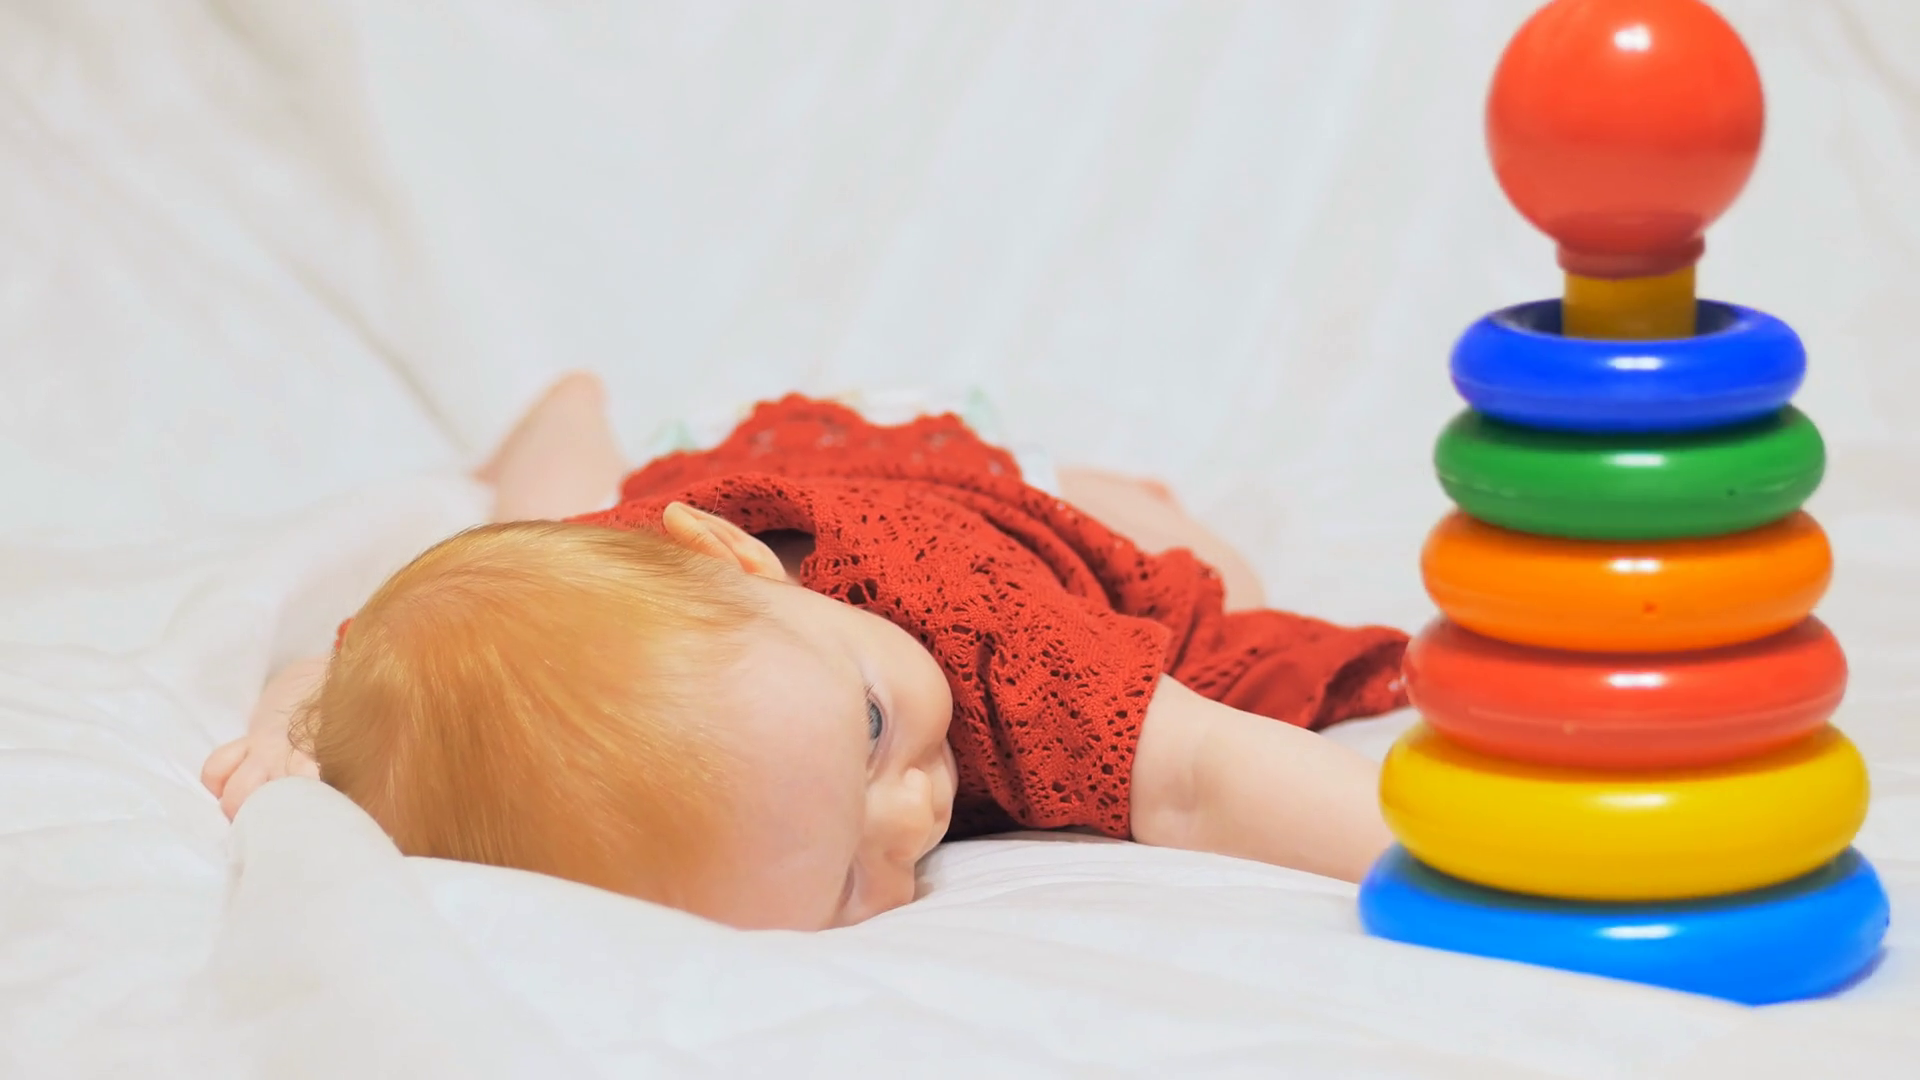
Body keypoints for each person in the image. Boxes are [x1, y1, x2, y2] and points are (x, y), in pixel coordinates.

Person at [202, 374, 1407, 930]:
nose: (914, 816)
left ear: (736, 558)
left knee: (1224, 609)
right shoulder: (575, 675)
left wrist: (1457, 860)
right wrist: (305, 727)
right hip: (644, 551)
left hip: (966, 518)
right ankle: (560, 418)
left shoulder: (999, 642)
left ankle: (1129, 495)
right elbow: (362, 671)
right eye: (842, 881)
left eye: (876, 731)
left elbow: (1200, 777)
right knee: (498, 570)